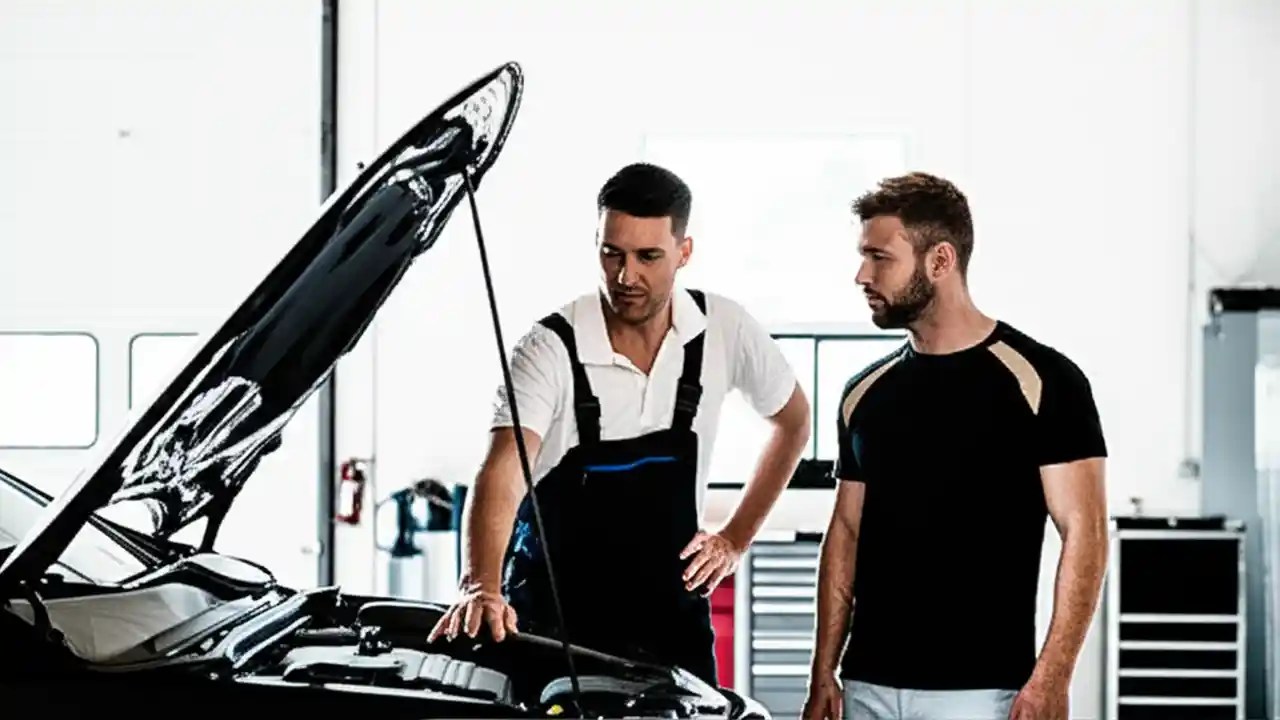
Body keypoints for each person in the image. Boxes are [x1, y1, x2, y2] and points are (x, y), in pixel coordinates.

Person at [428, 161, 812, 685]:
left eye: (648, 257)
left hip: (669, 625)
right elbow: (502, 470)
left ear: (684, 252)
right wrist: (482, 587)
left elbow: (793, 421)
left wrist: (735, 538)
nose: (626, 276)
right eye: (612, 254)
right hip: (555, 624)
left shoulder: (723, 330)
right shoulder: (550, 348)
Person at [802, 172, 1109, 720]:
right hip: (867, 686)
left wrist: (1052, 679)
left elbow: (1084, 533)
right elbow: (845, 532)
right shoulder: (863, 394)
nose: (861, 275)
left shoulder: (1044, 382)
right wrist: (823, 671)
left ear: (939, 261)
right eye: (862, 256)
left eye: (880, 258)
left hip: (983, 694)